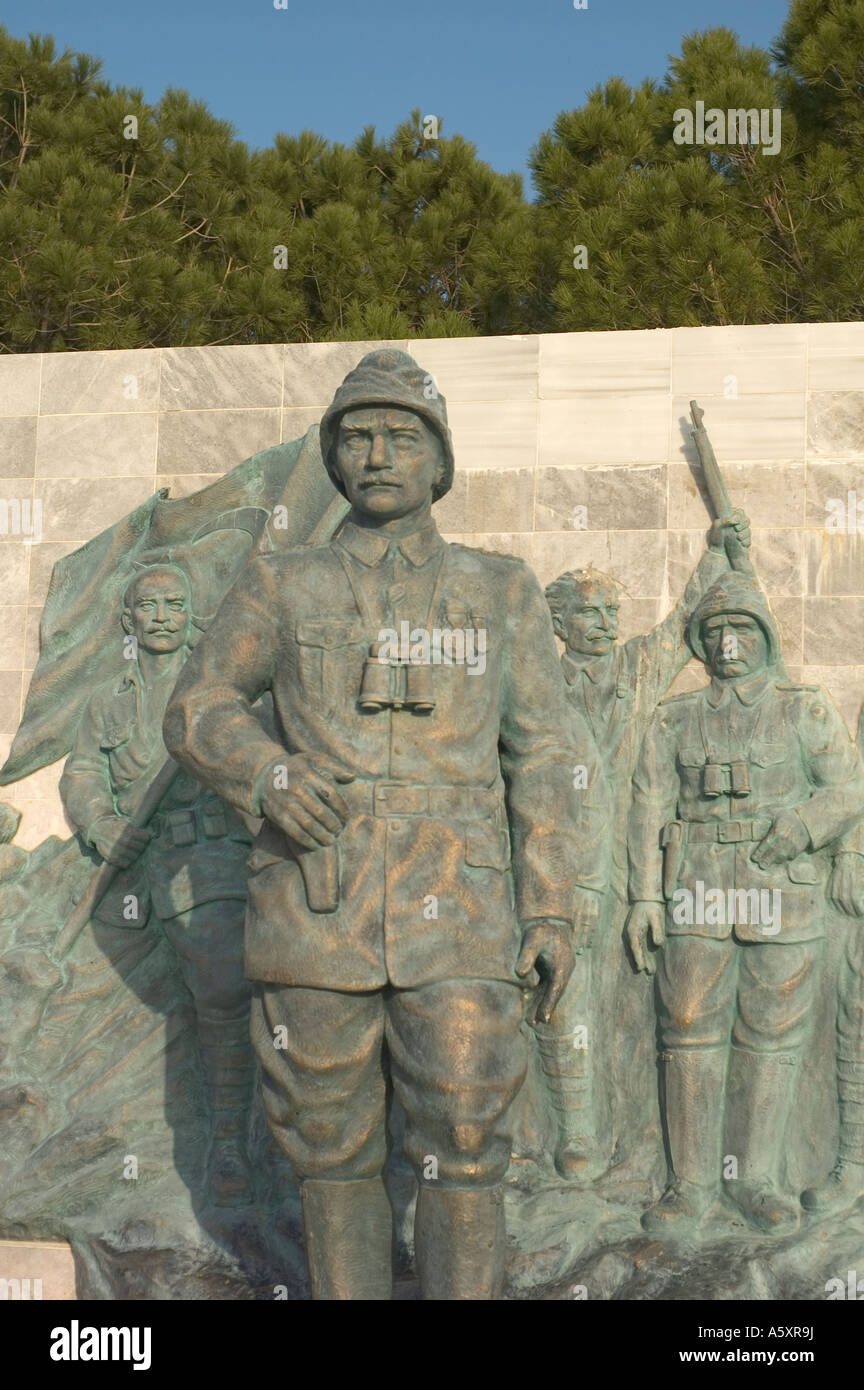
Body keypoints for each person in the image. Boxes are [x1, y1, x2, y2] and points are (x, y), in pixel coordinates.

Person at [163, 348, 603, 1299]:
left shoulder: (501, 589)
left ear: (440, 462)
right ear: (333, 459)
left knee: (469, 1133)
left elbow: (540, 758)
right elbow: (198, 708)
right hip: (317, 904)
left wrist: (552, 909)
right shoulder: (284, 582)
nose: (376, 454)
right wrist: (267, 771)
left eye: (402, 436)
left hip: (463, 905)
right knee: (329, 1143)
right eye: (356, 437)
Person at [626, 573, 864, 1235]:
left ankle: (756, 1180)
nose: (728, 644)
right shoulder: (674, 717)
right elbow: (648, 806)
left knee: (771, 1037)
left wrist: (808, 824)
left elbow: (848, 790)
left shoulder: (802, 707)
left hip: (779, 889)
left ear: (764, 638)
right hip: (696, 885)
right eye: (715, 634)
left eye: (741, 632)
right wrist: (644, 895)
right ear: (702, 647)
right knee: (689, 1031)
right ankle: (690, 1187)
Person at [540, 511, 749, 1178]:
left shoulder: (635, 671)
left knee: (628, 1008)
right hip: (556, 869)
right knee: (561, 997)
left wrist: (717, 552)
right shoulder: (535, 688)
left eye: (610, 610)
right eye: (589, 611)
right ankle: (575, 1136)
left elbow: (683, 624)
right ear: (559, 622)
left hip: (630, 875)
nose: (603, 622)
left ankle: (636, 1142)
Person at [60, 563, 255, 1207]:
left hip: (208, 857)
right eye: (151, 606)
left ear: (194, 613)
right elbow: (84, 768)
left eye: (177, 603)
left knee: (223, 986)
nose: (165, 615)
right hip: (133, 864)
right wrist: (100, 822)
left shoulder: (217, 687)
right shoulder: (109, 698)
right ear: (128, 621)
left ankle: (229, 1139)